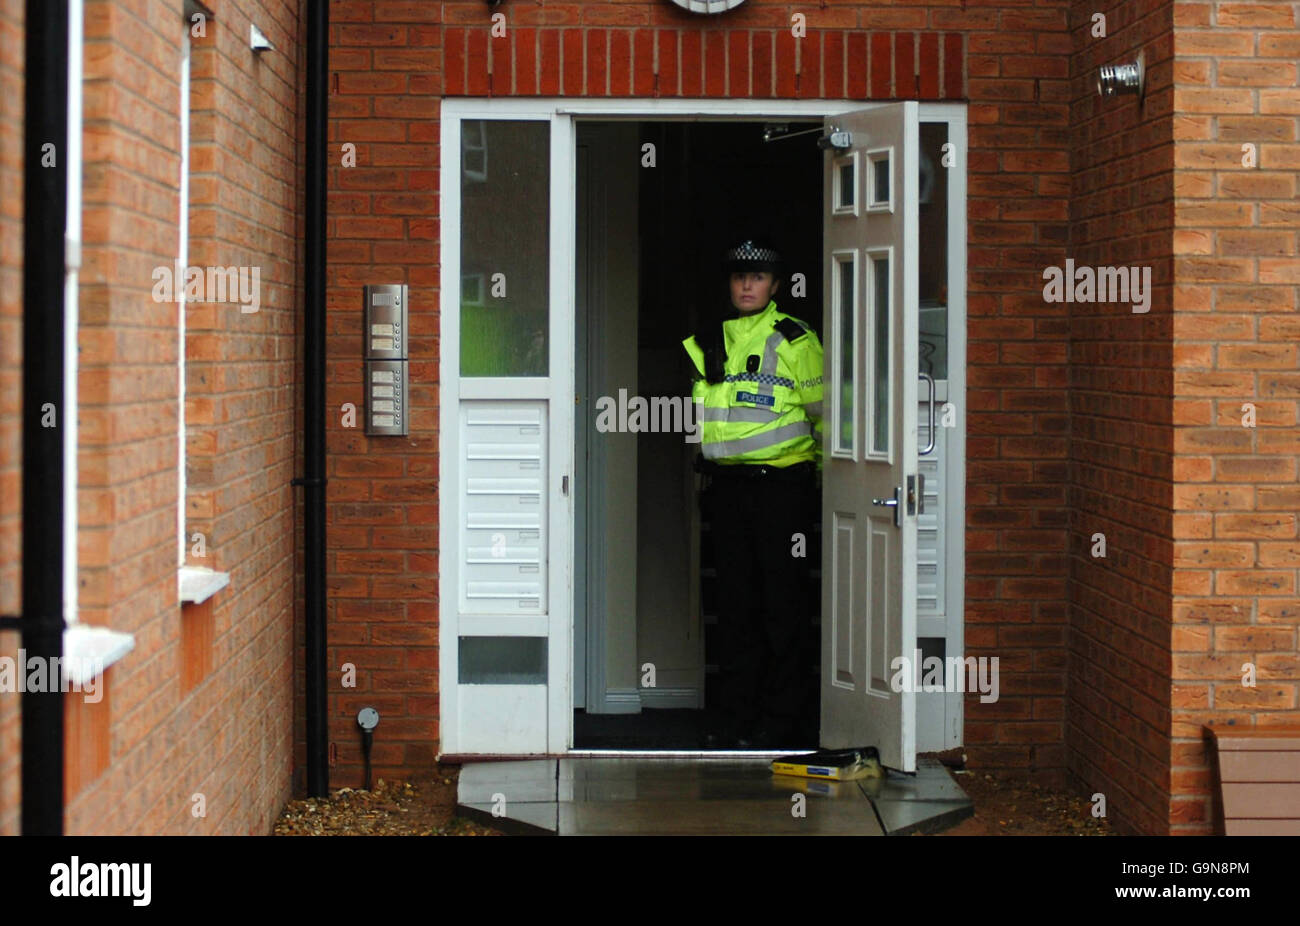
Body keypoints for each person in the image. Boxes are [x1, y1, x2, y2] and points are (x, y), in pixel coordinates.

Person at [682, 237, 824, 747]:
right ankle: (736, 717)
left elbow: (824, 418)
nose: (747, 284)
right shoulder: (707, 339)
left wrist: (829, 489)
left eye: (758, 276)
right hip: (726, 491)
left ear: (776, 285)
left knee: (782, 606)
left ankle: (782, 720)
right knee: (734, 606)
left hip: (780, 491)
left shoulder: (795, 341)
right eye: (740, 276)